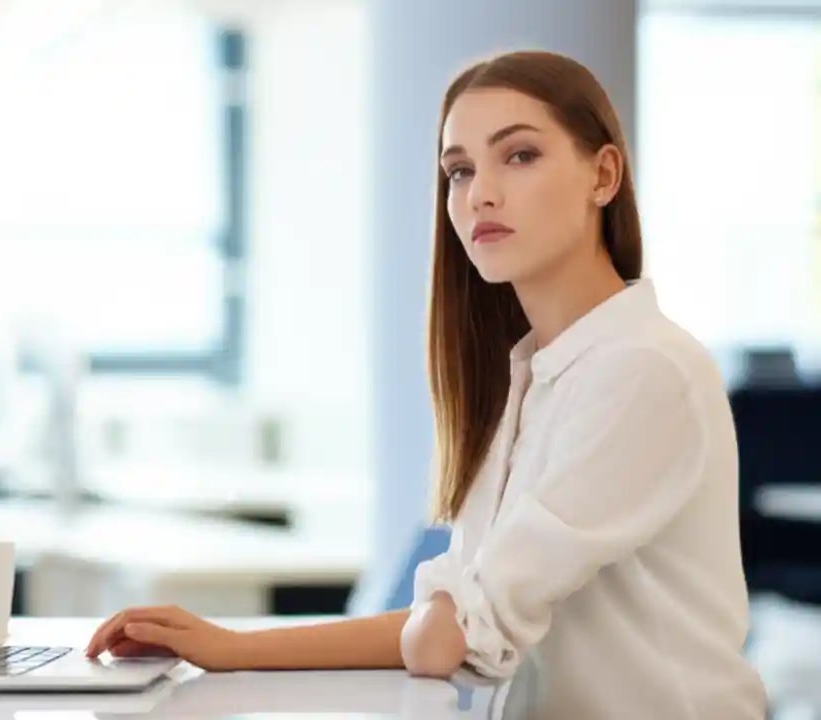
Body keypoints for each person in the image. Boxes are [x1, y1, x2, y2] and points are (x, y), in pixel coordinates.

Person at [82, 50, 767, 717]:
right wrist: (229, 647)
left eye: (519, 155)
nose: (481, 194)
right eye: (459, 170)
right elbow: (440, 624)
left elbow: (453, 633)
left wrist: (443, 614)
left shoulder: (641, 370)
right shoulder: (538, 375)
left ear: (603, 174)